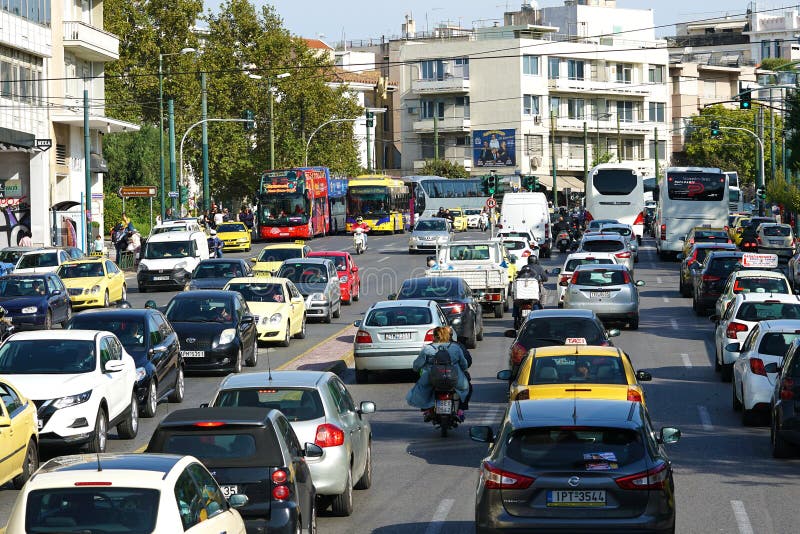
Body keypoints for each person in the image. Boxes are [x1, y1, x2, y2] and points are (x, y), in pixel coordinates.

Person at [406, 326, 471, 422]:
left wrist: (417, 370)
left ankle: (427, 409)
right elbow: (464, 365)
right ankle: (460, 410)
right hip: (454, 379)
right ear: (448, 336)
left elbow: (416, 365)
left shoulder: (427, 349)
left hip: (432, 379)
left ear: (434, 336)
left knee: (422, 389)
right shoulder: (455, 348)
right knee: (468, 387)